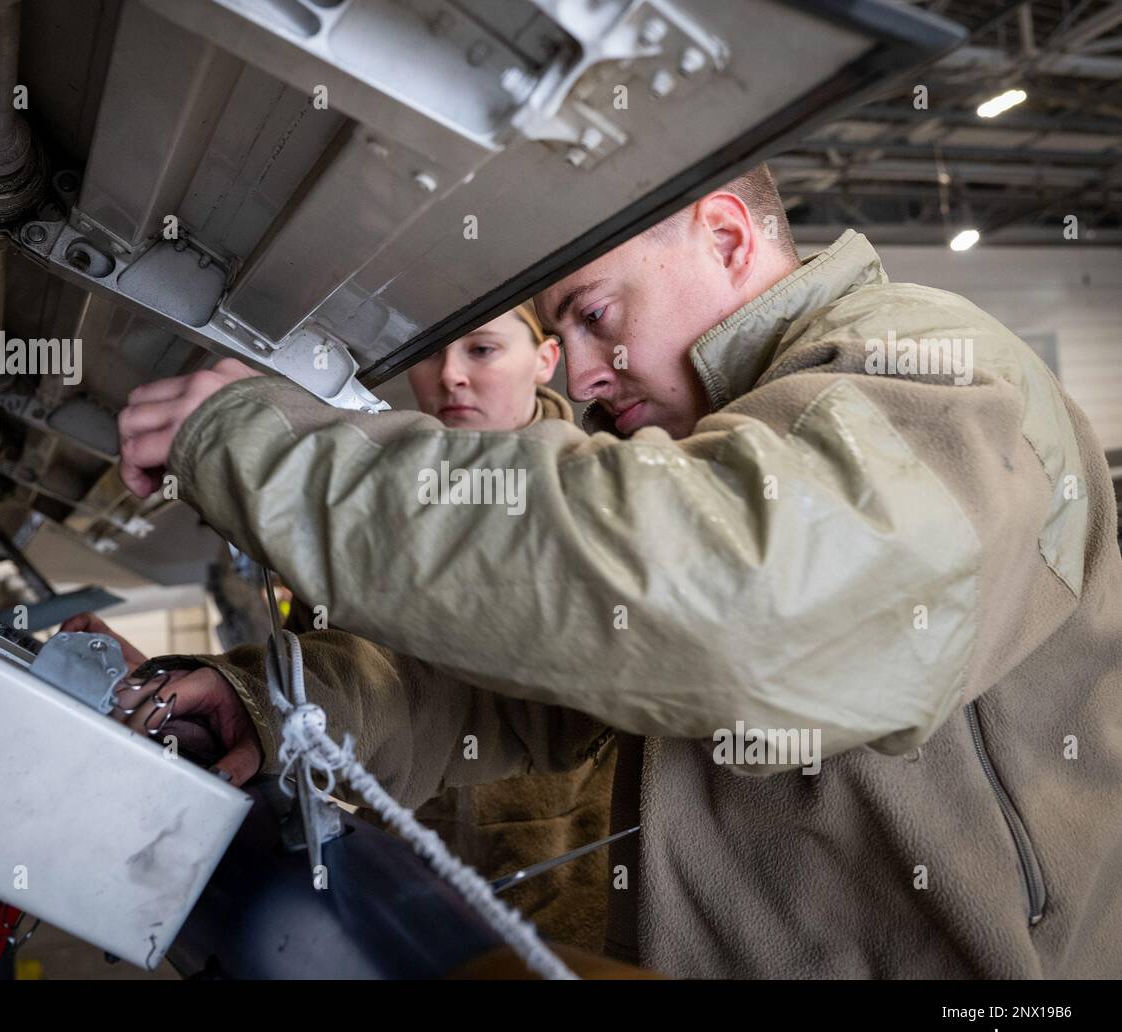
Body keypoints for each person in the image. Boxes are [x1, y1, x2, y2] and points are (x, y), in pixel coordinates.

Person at [113, 163, 1122, 979]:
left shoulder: (933, 367)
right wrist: (289, 704)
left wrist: (276, 453)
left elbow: (746, 604)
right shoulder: (722, 440)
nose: (585, 372)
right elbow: (503, 681)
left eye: (596, 314)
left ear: (727, 237)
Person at [78, 304, 617, 951]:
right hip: (418, 892)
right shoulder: (363, 510)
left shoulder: (602, 502)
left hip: (572, 906)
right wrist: (246, 699)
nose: (448, 376)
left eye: (481, 350)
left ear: (547, 361)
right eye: (428, 351)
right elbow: (344, 670)